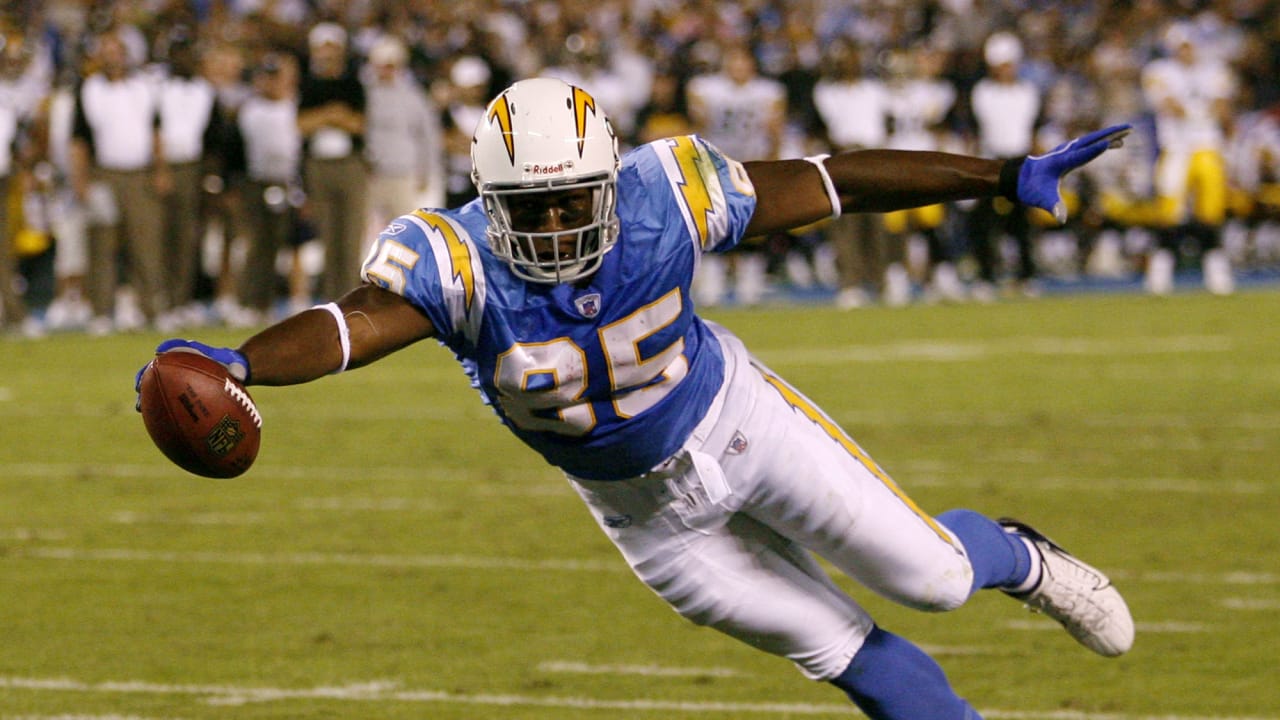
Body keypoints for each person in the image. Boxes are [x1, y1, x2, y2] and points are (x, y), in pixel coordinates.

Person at [138, 78, 1134, 720]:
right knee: (836, 648)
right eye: (536, 206)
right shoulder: (454, 258)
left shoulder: (665, 191)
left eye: (576, 196)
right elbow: (352, 324)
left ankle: (1021, 557)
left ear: (607, 179)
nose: (563, 220)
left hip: (739, 426)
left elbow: (832, 184)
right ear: (491, 202)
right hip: (646, 521)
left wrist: (996, 176)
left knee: (934, 578)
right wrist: (246, 364)